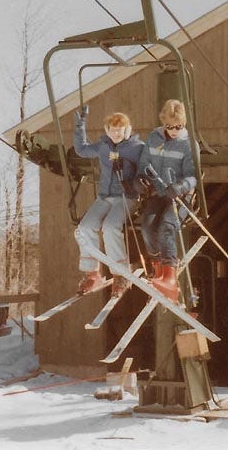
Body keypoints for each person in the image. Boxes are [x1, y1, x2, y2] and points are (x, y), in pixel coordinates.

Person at [73, 107, 144, 296]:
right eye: (112, 130)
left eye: (120, 130)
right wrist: (80, 126)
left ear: (127, 130)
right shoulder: (103, 146)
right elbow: (81, 150)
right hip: (104, 197)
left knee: (110, 227)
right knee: (85, 228)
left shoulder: (136, 148)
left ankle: (121, 274)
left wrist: (136, 184)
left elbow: (147, 168)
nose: (116, 134)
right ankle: (92, 273)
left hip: (126, 198)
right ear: (107, 130)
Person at [133, 99, 196, 302]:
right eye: (170, 126)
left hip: (180, 197)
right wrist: (140, 180)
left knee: (166, 226)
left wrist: (180, 186)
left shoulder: (188, 144)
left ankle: (170, 276)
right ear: (164, 123)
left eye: (178, 126)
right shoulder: (154, 138)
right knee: (147, 227)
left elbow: (193, 175)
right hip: (158, 192)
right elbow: (143, 164)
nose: (174, 131)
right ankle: (158, 269)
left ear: (183, 123)